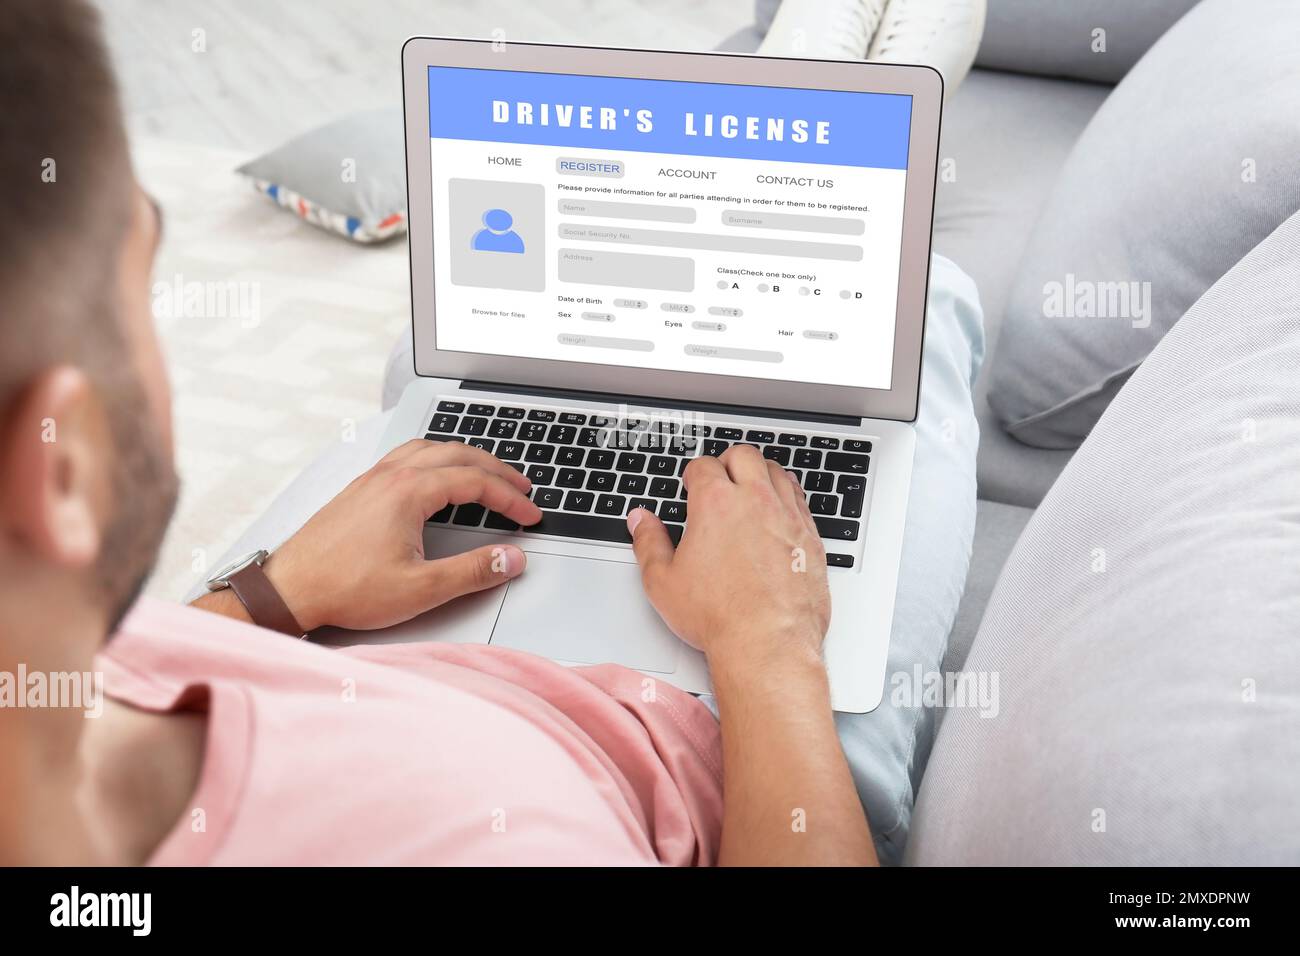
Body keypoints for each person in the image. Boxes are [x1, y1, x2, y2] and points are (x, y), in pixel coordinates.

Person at [0, 0, 983, 867]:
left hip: (371, 625)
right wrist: (768, 640)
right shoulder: (500, 832)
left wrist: (274, 590)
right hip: (740, 724)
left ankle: (811, 56)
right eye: (146, 270)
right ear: (61, 463)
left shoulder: (53, 680)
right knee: (917, 297)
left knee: (461, 365)